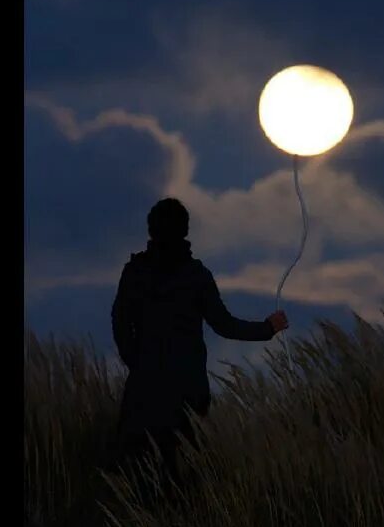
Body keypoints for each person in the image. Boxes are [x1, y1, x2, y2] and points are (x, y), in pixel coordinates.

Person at [111, 197, 289, 503]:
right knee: (181, 472)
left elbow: (120, 322)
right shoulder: (196, 276)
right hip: (187, 387)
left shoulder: (135, 272)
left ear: (151, 230)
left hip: (145, 387)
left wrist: (136, 362)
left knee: (137, 469)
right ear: (185, 230)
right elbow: (224, 324)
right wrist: (268, 328)